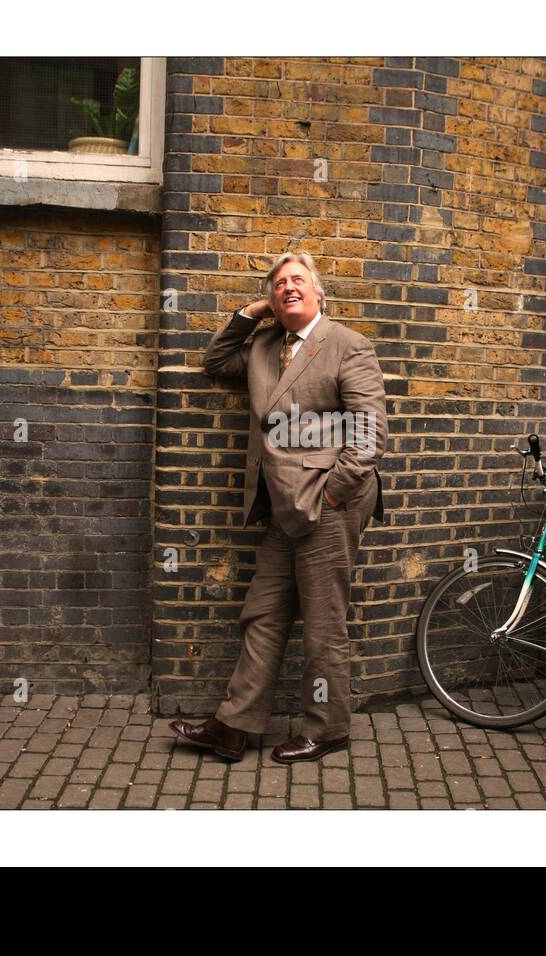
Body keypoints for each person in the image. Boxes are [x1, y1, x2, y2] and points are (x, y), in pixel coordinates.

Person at [170, 251, 387, 763]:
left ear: (319, 294)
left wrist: (335, 491)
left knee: (322, 623)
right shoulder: (265, 344)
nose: (288, 287)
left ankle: (328, 727)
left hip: (329, 502)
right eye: (278, 283)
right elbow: (215, 361)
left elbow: (369, 431)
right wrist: (252, 312)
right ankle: (233, 727)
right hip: (281, 506)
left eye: (297, 281)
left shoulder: (347, 346)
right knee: (263, 614)